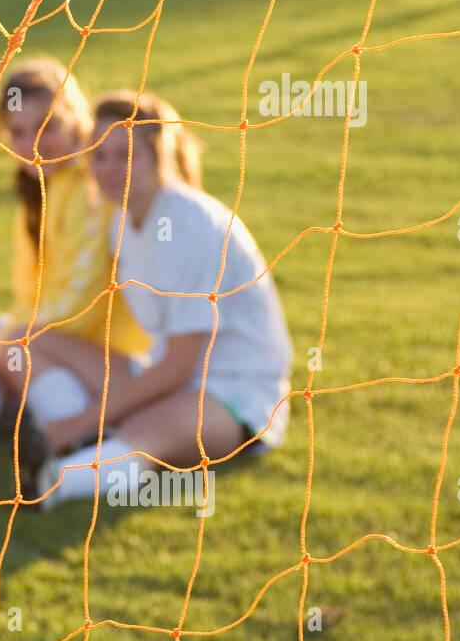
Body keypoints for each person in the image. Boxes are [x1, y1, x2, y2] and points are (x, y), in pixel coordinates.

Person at [28, 89, 295, 509]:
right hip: (163, 373)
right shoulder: (120, 220)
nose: (109, 168)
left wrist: (87, 416)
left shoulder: (190, 225)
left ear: (159, 157)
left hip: (230, 393)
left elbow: (180, 365)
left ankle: (56, 481)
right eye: (100, 155)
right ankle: (77, 436)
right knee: (36, 339)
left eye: (126, 155)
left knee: (142, 432)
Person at [0, 59, 151, 476]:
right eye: (19, 133)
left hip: (112, 357)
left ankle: (78, 427)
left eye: (47, 127)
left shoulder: (94, 189)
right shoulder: (42, 190)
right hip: (56, 339)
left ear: (78, 119)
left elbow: (77, 304)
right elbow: (34, 299)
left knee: (11, 347)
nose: (33, 144)